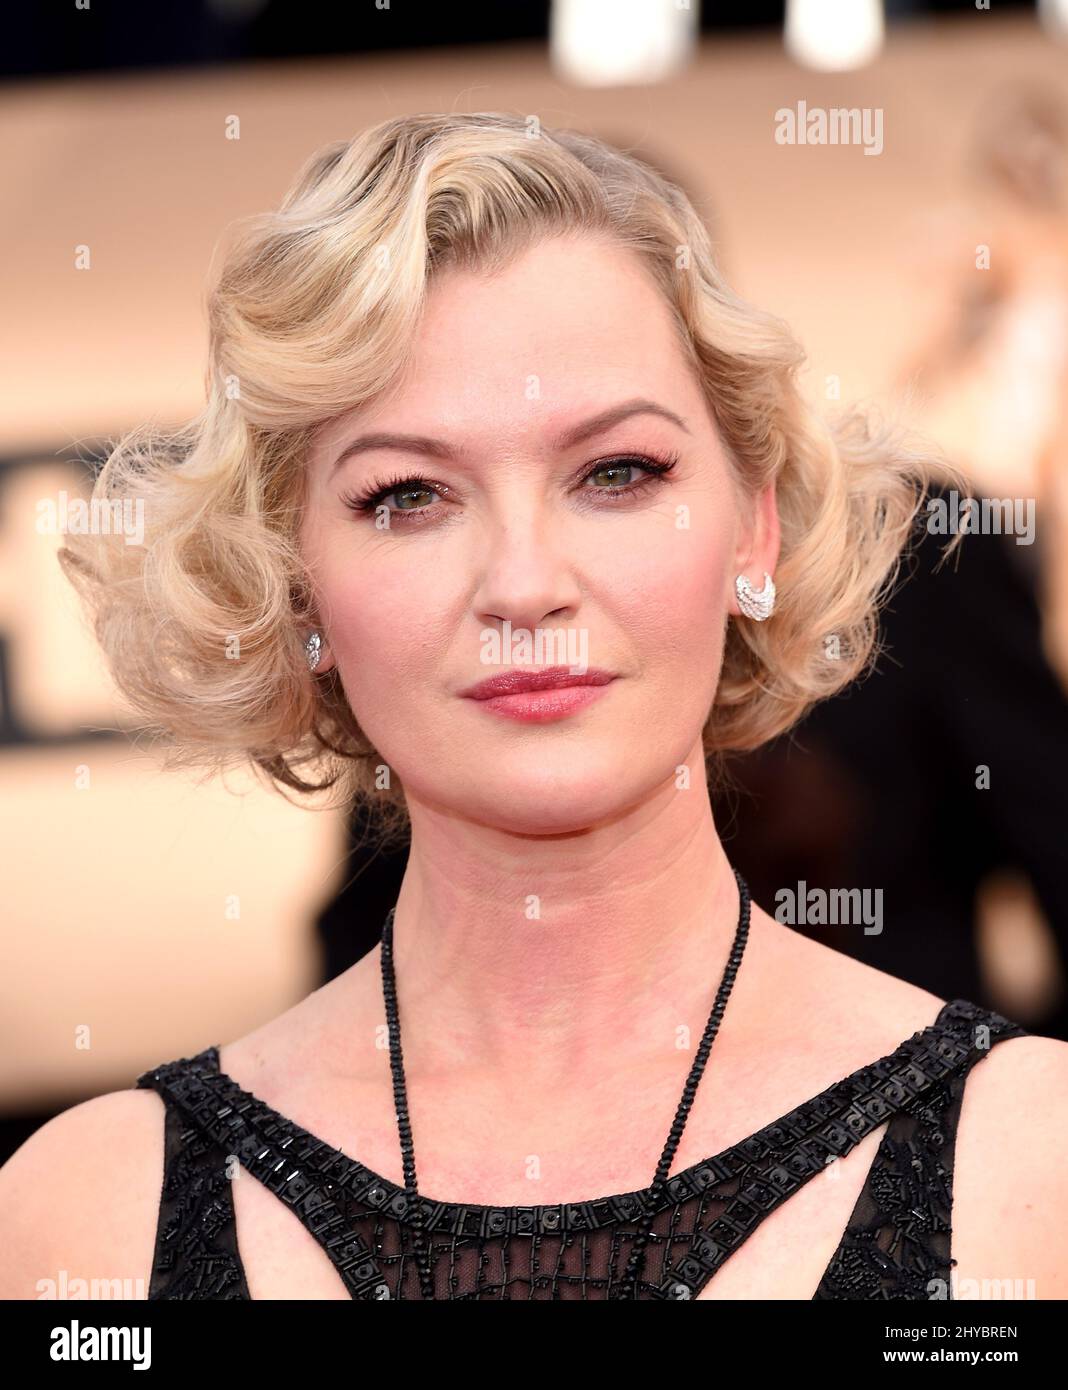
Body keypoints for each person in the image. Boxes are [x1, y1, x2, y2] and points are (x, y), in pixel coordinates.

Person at [1, 112, 1065, 1301]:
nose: (522, 583)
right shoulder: (83, 1224)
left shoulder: (1035, 1176)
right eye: (406, 495)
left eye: (617, 472)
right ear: (294, 584)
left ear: (752, 527)